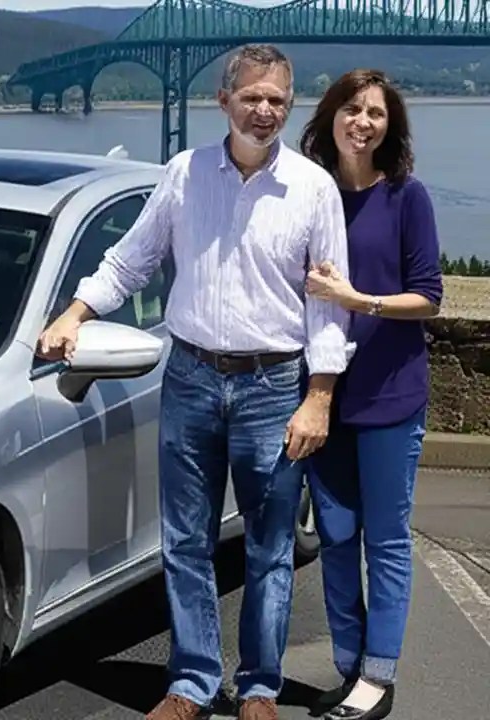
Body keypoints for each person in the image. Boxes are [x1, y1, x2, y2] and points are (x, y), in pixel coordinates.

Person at [38, 43, 353, 720]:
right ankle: (192, 683)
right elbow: (132, 261)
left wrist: (319, 397)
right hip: (190, 378)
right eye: (252, 98)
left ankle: (260, 687)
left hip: (275, 386)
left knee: (269, 549)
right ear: (224, 101)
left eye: (276, 100)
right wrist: (75, 311)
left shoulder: (314, 189)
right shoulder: (184, 175)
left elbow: (328, 305)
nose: (264, 112)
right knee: (185, 542)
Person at [297, 68, 442, 720]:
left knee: (383, 539)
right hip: (322, 395)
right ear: (330, 117)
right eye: (352, 109)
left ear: (391, 126)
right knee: (333, 537)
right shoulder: (307, 194)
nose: (364, 122)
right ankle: (350, 667)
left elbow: (429, 296)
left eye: (376, 113)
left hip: (390, 396)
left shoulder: (407, 198)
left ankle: (377, 677)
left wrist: (359, 301)